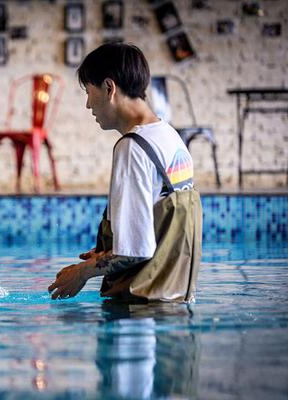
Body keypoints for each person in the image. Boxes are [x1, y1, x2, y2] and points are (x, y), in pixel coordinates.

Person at [48, 43, 202, 302]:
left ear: (109, 88)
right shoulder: (169, 137)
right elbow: (160, 231)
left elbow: (135, 251)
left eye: (89, 92)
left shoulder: (132, 148)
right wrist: (105, 252)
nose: (88, 105)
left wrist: (81, 273)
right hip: (175, 299)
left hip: (140, 313)